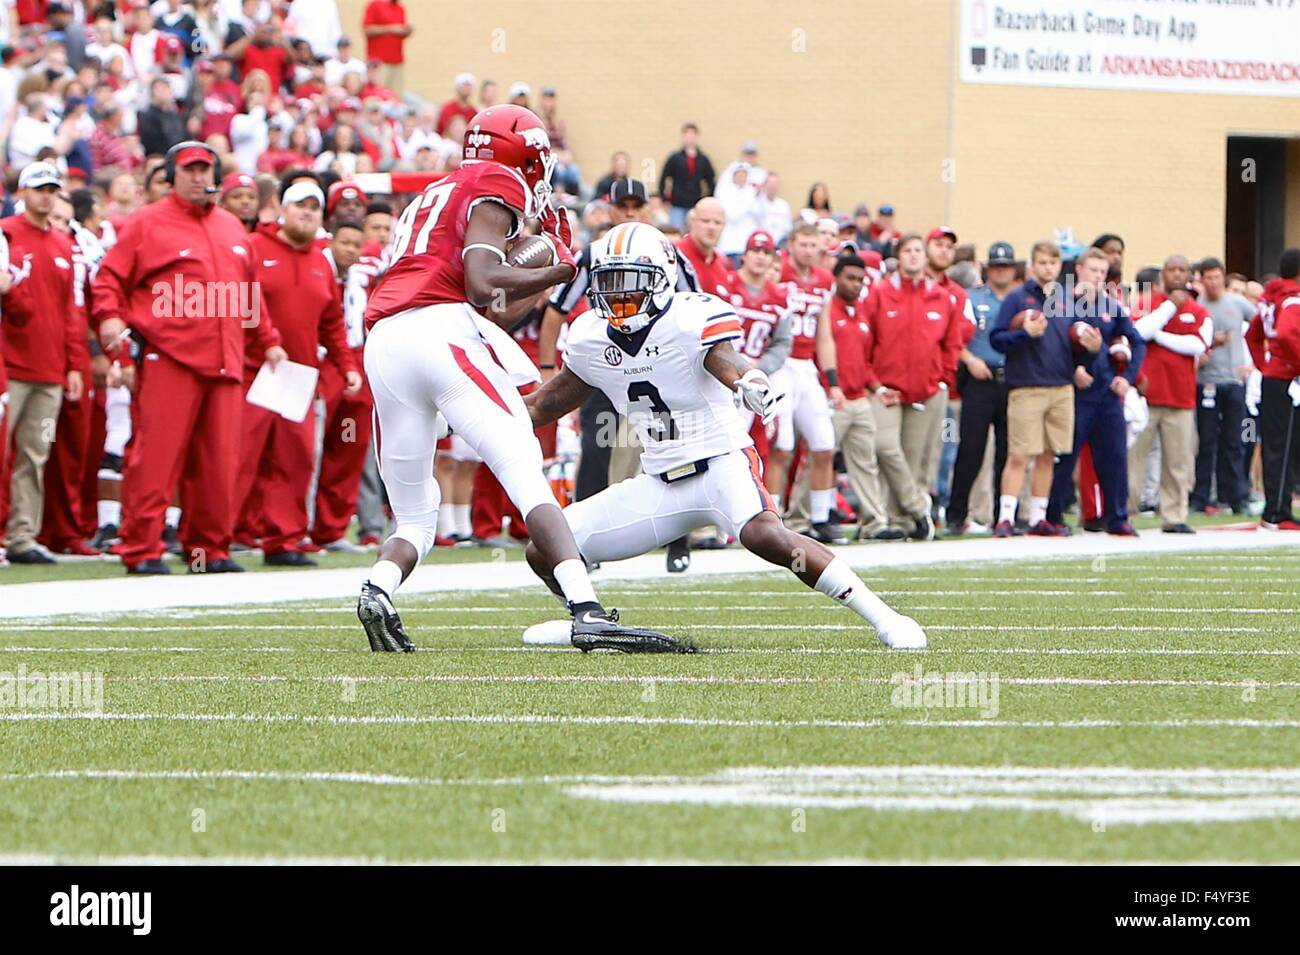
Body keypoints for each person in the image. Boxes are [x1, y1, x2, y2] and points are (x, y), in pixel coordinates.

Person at [358, 104, 681, 653]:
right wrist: (561, 267)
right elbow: (485, 284)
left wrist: (536, 272)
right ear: (522, 156)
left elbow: (491, 306)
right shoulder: (496, 180)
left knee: (416, 513)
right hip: (438, 331)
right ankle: (588, 609)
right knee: (523, 466)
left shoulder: (434, 195)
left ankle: (377, 587)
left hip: (387, 342)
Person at [522, 221, 926, 649]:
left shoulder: (690, 318)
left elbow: (727, 359)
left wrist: (750, 381)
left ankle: (884, 615)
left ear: (662, 280)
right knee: (544, 547)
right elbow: (544, 404)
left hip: (720, 464)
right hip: (658, 484)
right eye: (609, 282)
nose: (618, 295)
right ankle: (588, 618)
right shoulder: (589, 337)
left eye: (630, 282)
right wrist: (477, 414)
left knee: (763, 535)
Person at [94, 142, 287, 574]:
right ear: (173, 175)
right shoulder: (147, 223)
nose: (199, 177)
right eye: (190, 170)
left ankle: (207, 552)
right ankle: (142, 549)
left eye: (205, 169)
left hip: (226, 360)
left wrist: (269, 340)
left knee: (218, 463)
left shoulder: (232, 228)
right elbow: (110, 278)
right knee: (156, 459)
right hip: (170, 356)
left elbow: (249, 293)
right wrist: (108, 317)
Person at [1, 162, 86, 564]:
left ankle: (22, 535)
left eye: (52, 189)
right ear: (23, 192)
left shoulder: (65, 246)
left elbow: (71, 311)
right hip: (10, 367)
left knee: (36, 453)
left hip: (49, 373)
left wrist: (72, 364)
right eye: (39, 189)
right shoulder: (6, 233)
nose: (46, 195)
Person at [860, 233, 958, 541]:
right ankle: (916, 509)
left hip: (926, 389)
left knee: (915, 458)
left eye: (918, 250)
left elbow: (951, 343)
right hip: (887, 388)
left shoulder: (942, 298)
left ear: (925, 257)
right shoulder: (880, 293)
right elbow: (867, 339)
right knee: (884, 448)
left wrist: (942, 378)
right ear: (898, 256)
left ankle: (903, 523)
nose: (914, 256)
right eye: (908, 251)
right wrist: (874, 383)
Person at [1042, 248, 1147, 535]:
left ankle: (1118, 517)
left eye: (1103, 272)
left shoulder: (1112, 306)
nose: (1098, 277)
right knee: (1066, 456)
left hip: (1107, 393)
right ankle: (1053, 515)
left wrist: (1126, 377)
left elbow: (1137, 343)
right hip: (1076, 394)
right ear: (1079, 270)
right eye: (1093, 270)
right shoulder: (1061, 303)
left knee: (1114, 456)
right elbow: (1052, 345)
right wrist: (1072, 370)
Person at [989, 240, 1077, 536]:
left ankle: (1039, 517)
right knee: (1019, 455)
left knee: (1048, 455)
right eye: (1042, 262)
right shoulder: (1017, 298)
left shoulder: (1066, 298)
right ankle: (1006, 518)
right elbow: (997, 339)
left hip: (1061, 386)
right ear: (1032, 265)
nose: (1048, 267)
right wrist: (1024, 334)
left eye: (1053, 262)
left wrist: (1088, 351)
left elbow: (1075, 343)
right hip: (1026, 385)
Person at [1126, 254, 1214, 533]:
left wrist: (1160, 336)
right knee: (1134, 458)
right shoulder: (1146, 304)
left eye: (1182, 270)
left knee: (1178, 461)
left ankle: (1174, 515)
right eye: (1171, 270)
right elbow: (1137, 332)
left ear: (1189, 275)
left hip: (1181, 396)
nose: (1177, 275)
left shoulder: (1198, 311)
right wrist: (1166, 312)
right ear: (1163, 274)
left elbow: (1198, 344)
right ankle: (1125, 513)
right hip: (1146, 395)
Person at [767, 221, 843, 541]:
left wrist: (833, 381)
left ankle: (821, 518)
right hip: (780, 364)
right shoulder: (779, 272)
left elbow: (825, 333)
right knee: (781, 446)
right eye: (803, 244)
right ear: (792, 244)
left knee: (825, 444)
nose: (808, 250)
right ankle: (772, 516)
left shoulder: (825, 279)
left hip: (807, 366)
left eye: (813, 245)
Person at [946, 241, 1017, 535]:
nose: (1001, 271)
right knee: (971, 450)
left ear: (1013, 270)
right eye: (996, 266)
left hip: (1012, 379)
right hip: (980, 377)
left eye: (1006, 266)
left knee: (1008, 452)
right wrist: (970, 360)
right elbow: (955, 337)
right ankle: (956, 514)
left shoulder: (1019, 299)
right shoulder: (972, 298)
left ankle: (1004, 516)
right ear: (988, 269)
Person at [826, 253, 892, 540]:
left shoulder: (862, 312)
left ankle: (874, 523)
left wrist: (877, 387)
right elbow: (823, 356)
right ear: (836, 278)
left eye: (860, 280)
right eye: (850, 278)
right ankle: (799, 518)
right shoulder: (827, 310)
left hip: (859, 398)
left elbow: (864, 362)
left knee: (866, 461)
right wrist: (831, 385)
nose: (855, 285)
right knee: (819, 457)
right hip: (835, 397)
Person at [1191, 257, 1255, 515]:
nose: (1214, 282)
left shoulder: (1237, 303)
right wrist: (1205, 349)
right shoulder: (1197, 307)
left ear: (1223, 278)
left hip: (1233, 381)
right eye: (1209, 278)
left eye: (1218, 277)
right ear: (1202, 280)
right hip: (1206, 381)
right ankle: (1202, 496)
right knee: (1206, 442)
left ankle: (1237, 496)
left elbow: (1261, 325)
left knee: (1235, 441)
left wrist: (1253, 361)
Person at [1246, 248, 1300, 530]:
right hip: (1287, 379)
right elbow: (1289, 333)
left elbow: (1252, 335)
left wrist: (1263, 365)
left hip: (1275, 377)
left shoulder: (1271, 299)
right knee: (1285, 445)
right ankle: (1278, 512)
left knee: (1278, 445)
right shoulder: (1292, 299)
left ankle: (1277, 508)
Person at [658, 123, 715, 232]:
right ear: (683, 137)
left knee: (694, 232)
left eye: (693, 135)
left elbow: (711, 180)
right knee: (675, 231)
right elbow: (664, 177)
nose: (690, 138)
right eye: (687, 134)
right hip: (677, 204)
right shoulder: (675, 158)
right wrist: (664, 198)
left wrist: (706, 199)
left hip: (695, 204)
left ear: (697, 137)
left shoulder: (703, 159)